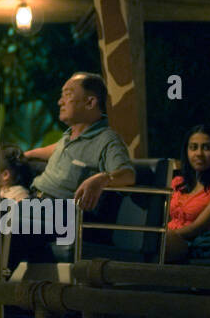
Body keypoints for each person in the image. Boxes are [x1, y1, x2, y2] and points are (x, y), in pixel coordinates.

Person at [17, 72, 135, 263]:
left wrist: (102, 178)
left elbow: (128, 175)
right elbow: (55, 150)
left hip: (66, 213)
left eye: (68, 95)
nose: (60, 102)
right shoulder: (69, 137)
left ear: (90, 102)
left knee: (4, 223)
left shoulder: (107, 140)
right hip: (37, 205)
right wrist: (25, 155)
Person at [165, 125, 210, 262]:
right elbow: (163, 217)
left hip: (196, 243)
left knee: (158, 244)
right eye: (193, 147)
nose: (198, 153)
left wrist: (164, 236)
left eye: (206, 148)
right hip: (169, 238)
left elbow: (198, 228)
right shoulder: (177, 182)